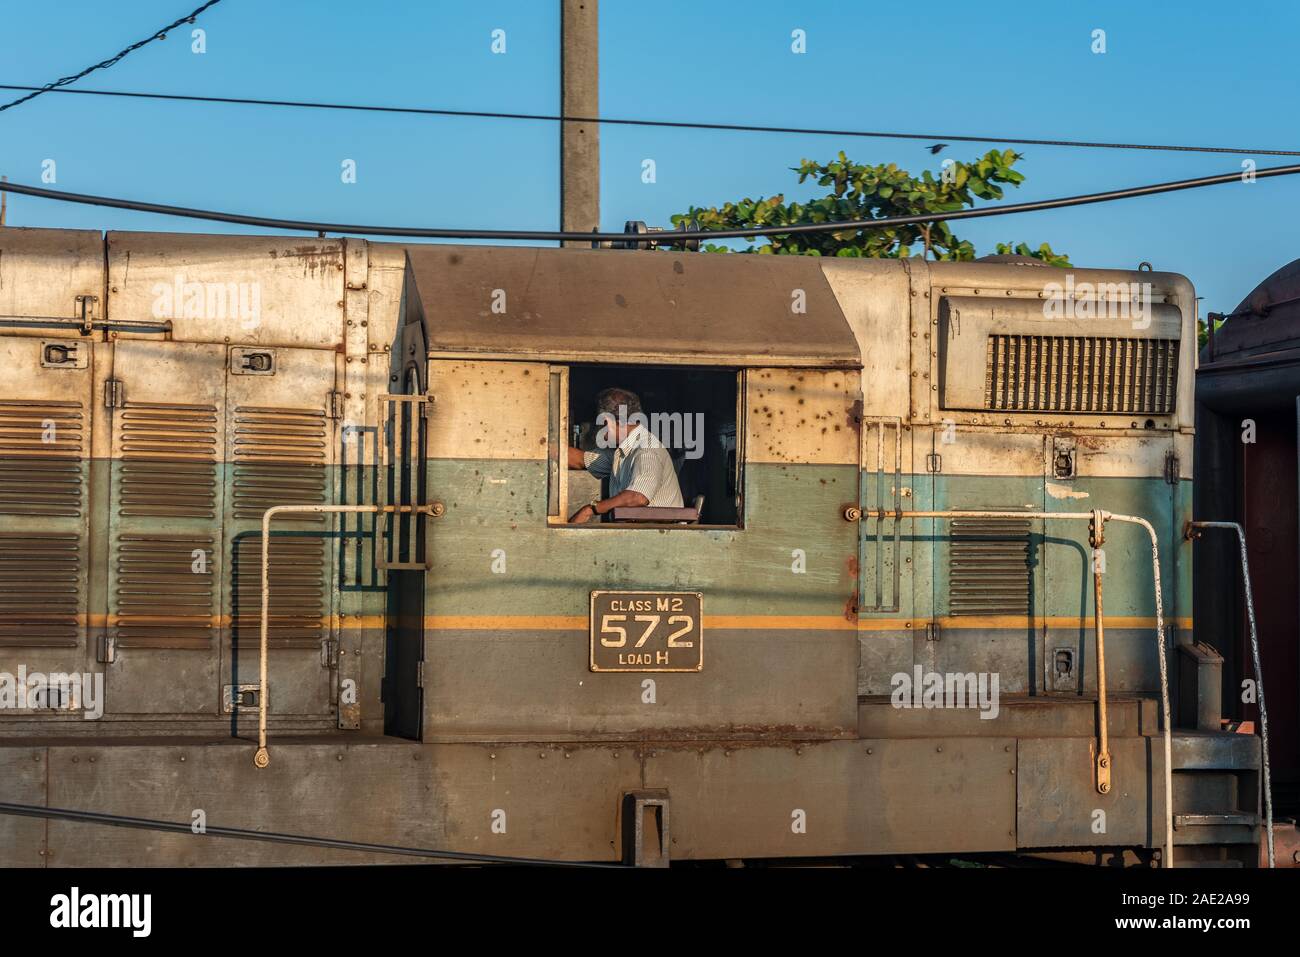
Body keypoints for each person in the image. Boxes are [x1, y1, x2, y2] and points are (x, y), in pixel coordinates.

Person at [567, 387, 683, 523]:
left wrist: (591, 509)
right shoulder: (622, 452)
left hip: (658, 533)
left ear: (607, 421)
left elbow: (638, 497)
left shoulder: (646, 451)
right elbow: (580, 460)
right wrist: (549, 449)